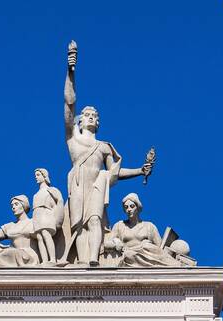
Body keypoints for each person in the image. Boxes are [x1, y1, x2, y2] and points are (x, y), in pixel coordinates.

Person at [63, 41, 154, 265]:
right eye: (87, 114)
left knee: (95, 220)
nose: (92, 116)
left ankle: (93, 259)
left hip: (96, 185)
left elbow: (115, 171)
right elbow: (68, 104)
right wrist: (70, 72)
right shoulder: (72, 139)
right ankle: (82, 262)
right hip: (77, 185)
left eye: (95, 115)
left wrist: (139, 171)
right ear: (80, 121)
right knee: (79, 225)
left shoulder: (104, 147)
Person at [104, 193, 196, 268]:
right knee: (130, 255)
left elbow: (160, 248)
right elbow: (106, 244)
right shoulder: (120, 225)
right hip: (129, 255)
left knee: (148, 247)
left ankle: (178, 265)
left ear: (138, 207)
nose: (129, 209)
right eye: (126, 207)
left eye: (132, 206)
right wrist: (116, 243)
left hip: (148, 253)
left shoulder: (149, 226)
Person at [32, 169, 65, 265]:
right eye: (36, 175)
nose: (36, 177)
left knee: (46, 234)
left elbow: (59, 202)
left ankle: (53, 259)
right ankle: (44, 260)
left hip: (47, 213)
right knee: (39, 237)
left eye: (38, 175)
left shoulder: (52, 190)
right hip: (37, 215)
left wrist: (57, 217)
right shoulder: (35, 195)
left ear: (44, 176)